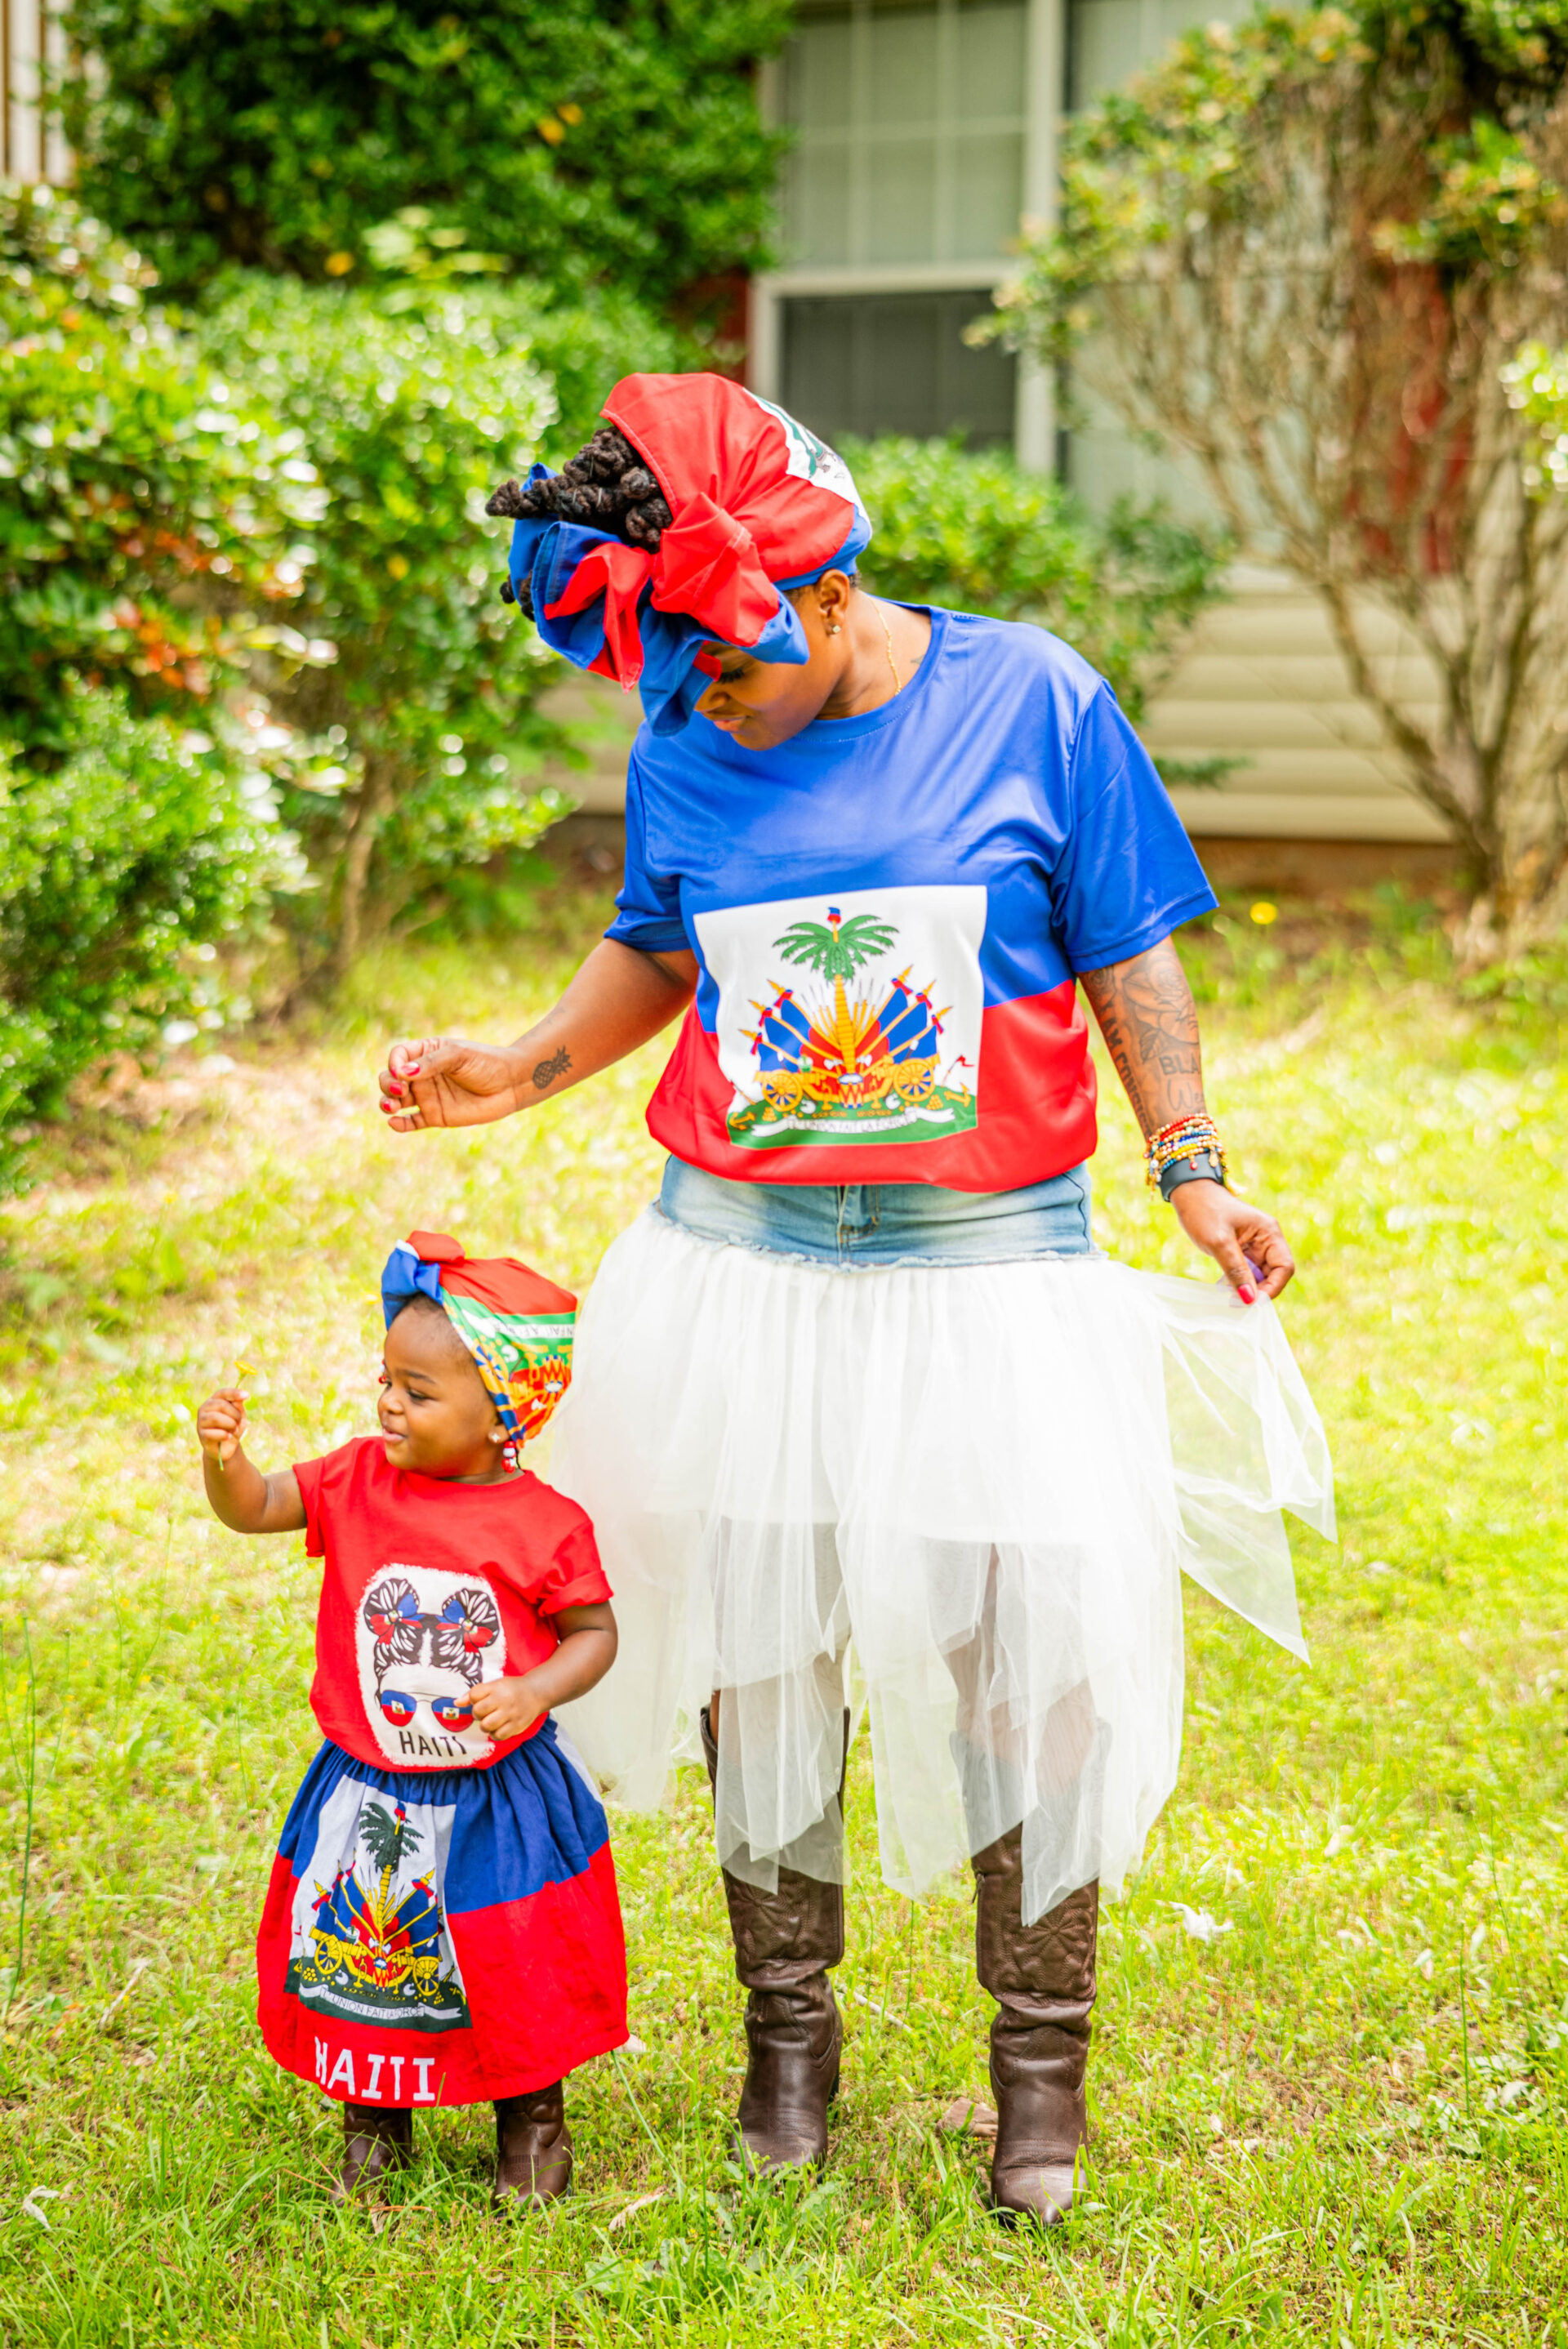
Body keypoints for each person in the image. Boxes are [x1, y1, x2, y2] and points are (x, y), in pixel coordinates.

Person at [375, 375, 1334, 2228]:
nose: (688, 698)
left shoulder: (1030, 699)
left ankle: (1035, 2069)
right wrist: (519, 1062)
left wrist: (1193, 1160)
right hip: (740, 1272)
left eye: (717, 665)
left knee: (1016, 1663)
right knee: (757, 1652)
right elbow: (661, 937)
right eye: (665, 671)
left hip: (986, 1279)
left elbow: (1128, 937)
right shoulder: (688, 723)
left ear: (817, 600)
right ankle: (785, 2046)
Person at [196, 1228, 627, 2206]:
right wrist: (224, 1459)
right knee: (368, 1953)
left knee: (508, 1955)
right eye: (386, 1377)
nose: (389, 1400)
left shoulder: (545, 1522)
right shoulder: (354, 1479)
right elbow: (256, 1504)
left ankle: (531, 2116)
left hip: (494, 1794)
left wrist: (535, 1689)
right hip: (373, 1784)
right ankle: (372, 2119)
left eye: (419, 1390)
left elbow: (594, 1635)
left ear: (502, 1408)